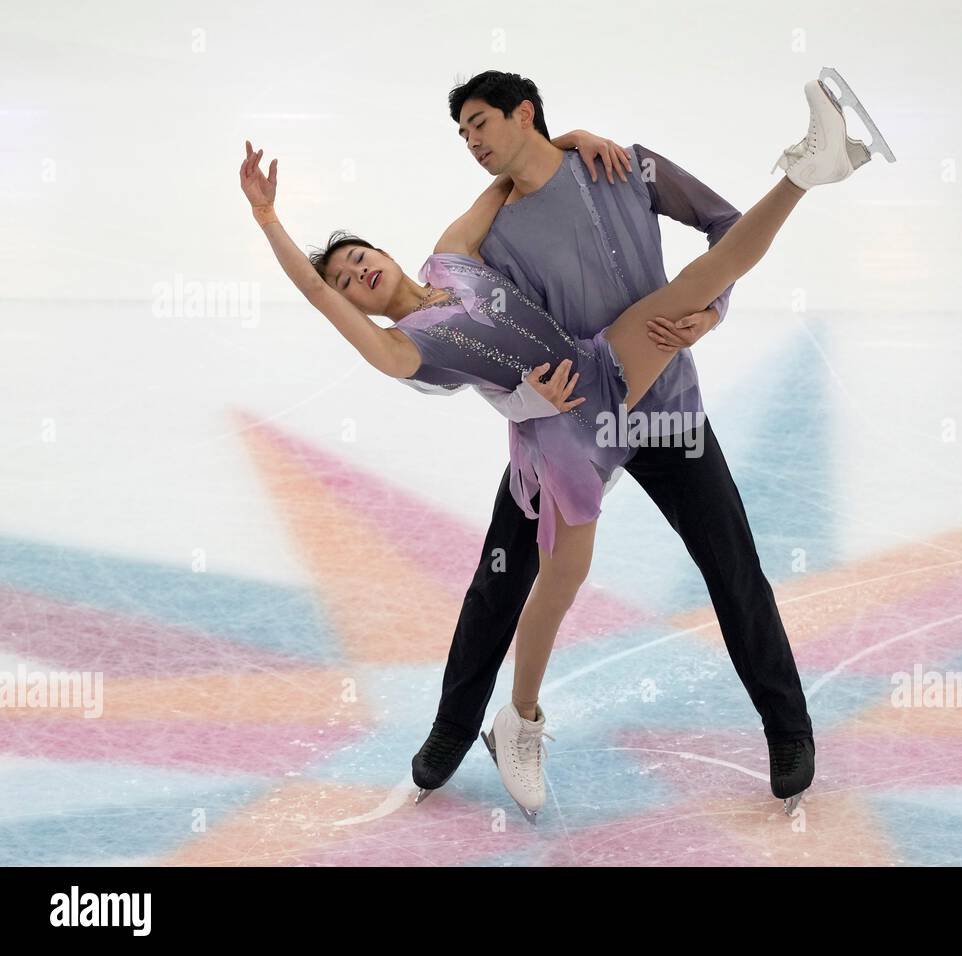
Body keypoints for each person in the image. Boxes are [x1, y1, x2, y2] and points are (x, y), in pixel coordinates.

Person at [239, 68, 891, 818]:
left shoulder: (459, 250)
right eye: (349, 282)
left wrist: (570, 141)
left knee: (732, 560)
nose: (359, 275)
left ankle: (809, 169)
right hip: (556, 435)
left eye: (358, 258)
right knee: (511, 586)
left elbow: (529, 177)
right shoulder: (401, 347)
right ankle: (479, 727)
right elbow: (325, 296)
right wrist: (268, 222)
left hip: (619, 381)